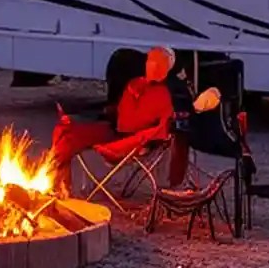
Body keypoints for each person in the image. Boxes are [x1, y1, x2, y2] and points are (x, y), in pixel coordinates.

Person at [50, 46, 176, 196]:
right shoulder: (135, 83)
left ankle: (58, 189)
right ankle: (60, 186)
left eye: (158, 62)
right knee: (64, 132)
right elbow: (119, 116)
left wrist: (122, 145)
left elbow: (157, 131)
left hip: (132, 142)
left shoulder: (166, 93)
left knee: (70, 139)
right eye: (150, 60)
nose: (152, 65)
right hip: (115, 131)